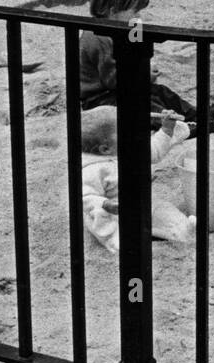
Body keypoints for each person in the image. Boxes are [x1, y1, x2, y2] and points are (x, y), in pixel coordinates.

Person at [80, 0, 214, 134]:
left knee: (161, 92)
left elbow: (136, 48)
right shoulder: (98, 36)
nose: (139, 17)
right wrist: (145, 74)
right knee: (144, 103)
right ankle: (180, 128)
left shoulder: (125, 24)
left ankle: (197, 114)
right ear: (113, 11)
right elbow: (115, 80)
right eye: (135, 11)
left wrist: (146, 64)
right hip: (100, 99)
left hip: (122, 85)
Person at [81, 107, 195, 254]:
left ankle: (181, 228)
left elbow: (154, 150)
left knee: (170, 217)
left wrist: (166, 128)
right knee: (116, 236)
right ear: (105, 149)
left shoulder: (129, 146)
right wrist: (104, 204)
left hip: (144, 202)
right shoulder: (92, 170)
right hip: (114, 213)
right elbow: (85, 196)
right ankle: (121, 243)